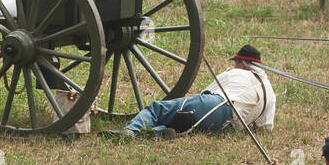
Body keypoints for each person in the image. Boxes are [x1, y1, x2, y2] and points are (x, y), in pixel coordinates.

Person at [118, 44, 275, 137]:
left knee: (157, 109)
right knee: (187, 126)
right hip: (228, 127)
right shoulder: (270, 93)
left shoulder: (235, 73)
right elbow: (266, 126)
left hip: (216, 105)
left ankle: (130, 131)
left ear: (241, 62)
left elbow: (206, 95)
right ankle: (157, 132)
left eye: (236, 62)